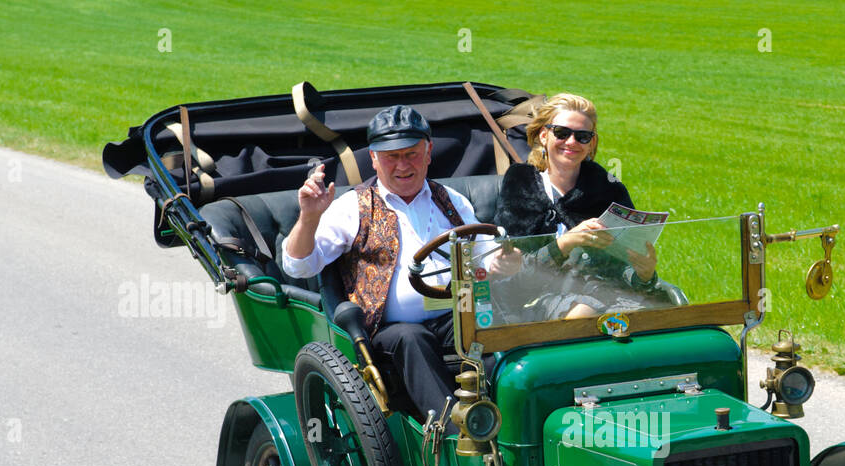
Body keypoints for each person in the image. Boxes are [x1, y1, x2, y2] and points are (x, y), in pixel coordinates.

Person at [281, 105, 476, 420]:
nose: (402, 165)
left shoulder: (453, 202)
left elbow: (488, 257)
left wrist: (504, 263)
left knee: (494, 325)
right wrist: (309, 217)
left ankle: (512, 417)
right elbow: (299, 266)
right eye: (391, 157)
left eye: (411, 154)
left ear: (428, 152)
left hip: (455, 316)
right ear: (373, 158)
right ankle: (451, 432)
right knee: (412, 338)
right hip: (388, 329)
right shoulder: (352, 208)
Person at [494, 93, 666, 320]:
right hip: (541, 300)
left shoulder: (607, 188)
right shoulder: (520, 185)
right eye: (562, 133)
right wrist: (565, 243)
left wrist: (644, 274)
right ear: (544, 135)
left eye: (582, 136)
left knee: (659, 317)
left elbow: (620, 268)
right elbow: (514, 282)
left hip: (608, 294)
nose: (572, 142)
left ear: (591, 142)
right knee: (588, 313)